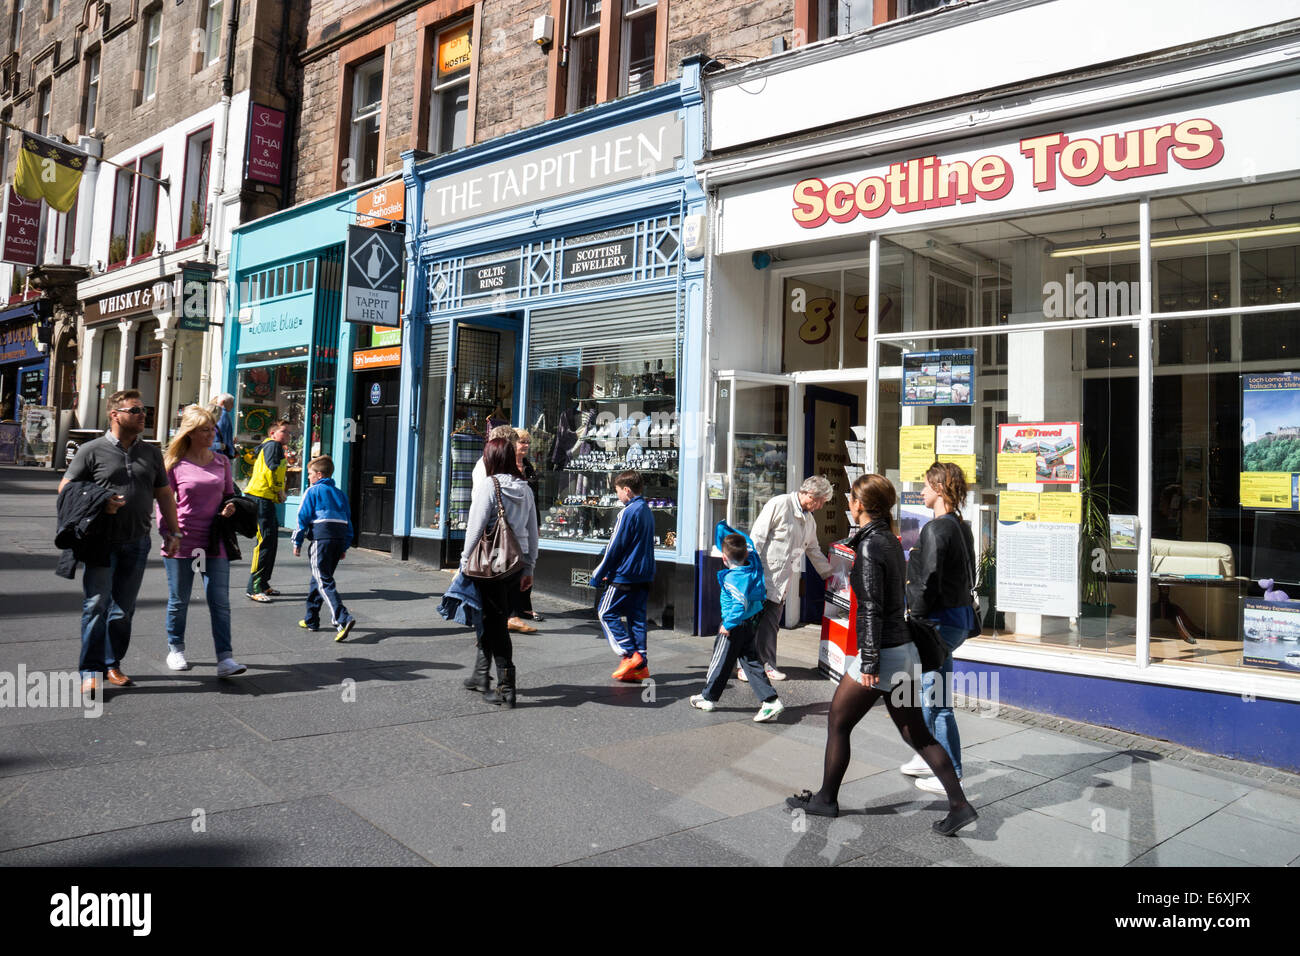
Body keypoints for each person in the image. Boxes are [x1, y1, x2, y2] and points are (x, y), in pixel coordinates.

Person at [786, 474, 976, 836]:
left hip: (882, 652)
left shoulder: (872, 545)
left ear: (861, 505)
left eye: (851, 498)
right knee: (916, 732)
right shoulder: (888, 539)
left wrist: (869, 661)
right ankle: (960, 805)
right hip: (901, 650)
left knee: (838, 723)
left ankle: (826, 799)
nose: (848, 503)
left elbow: (871, 607)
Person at [60, 389, 182, 697]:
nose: (143, 415)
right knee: (96, 605)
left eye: (144, 411)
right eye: (136, 410)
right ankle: (90, 670)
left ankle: (112, 663)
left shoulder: (152, 452)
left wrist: (173, 531)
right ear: (115, 415)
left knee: (123, 610)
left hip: (137, 541)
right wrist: (100, 503)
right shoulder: (91, 450)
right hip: (100, 542)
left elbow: (164, 493)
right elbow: (66, 488)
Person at [902, 461, 979, 794]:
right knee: (930, 693)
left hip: (937, 622)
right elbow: (971, 574)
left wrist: (913, 616)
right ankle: (928, 756)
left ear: (940, 488)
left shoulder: (935, 529)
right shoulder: (961, 526)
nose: (921, 491)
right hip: (957, 619)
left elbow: (927, 580)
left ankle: (952, 771)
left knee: (934, 698)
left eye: (926, 485)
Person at [158, 405, 246, 677]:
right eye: (205, 430)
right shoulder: (175, 464)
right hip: (182, 539)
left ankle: (225, 658)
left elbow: (230, 495)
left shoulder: (222, 462)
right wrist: (169, 534)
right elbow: (164, 504)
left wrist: (231, 507)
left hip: (214, 539)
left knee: (219, 600)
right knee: (179, 600)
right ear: (191, 433)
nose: (211, 435)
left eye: (213, 430)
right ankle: (176, 648)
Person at [460, 437, 539, 707]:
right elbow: (532, 532)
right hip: (515, 565)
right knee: (492, 618)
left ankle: (506, 684)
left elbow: (475, 527)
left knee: (495, 624)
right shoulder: (525, 489)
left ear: (492, 459)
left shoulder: (489, 486)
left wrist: (462, 562)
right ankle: (480, 675)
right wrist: (529, 566)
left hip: (491, 565)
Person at [690, 521, 784, 722]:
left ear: (724, 558)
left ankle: (707, 697)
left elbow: (739, 604)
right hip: (751, 622)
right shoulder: (752, 567)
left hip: (735, 625)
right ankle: (770, 701)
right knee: (751, 662)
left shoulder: (734, 578)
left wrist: (727, 624)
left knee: (720, 660)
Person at [747, 475, 835, 682]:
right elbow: (757, 537)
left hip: (782, 581)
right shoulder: (779, 504)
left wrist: (829, 574)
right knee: (752, 623)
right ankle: (746, 665)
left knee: (770, 624)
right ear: (811, 495)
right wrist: (748, 571)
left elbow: (813, 549)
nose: (821, 507)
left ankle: (766, 664)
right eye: (821, 502)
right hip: (762, 575)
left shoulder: (809, 519)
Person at [590, 470, 656, 682]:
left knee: (605, 612)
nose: (617, 495)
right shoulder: (646, 509)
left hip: (625, 574)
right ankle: (641, 666)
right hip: (644, 574)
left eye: (617, 491)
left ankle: (628, 654)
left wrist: (598, 574)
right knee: (637, 618)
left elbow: (614, 546)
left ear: (626, 490)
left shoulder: (627, 512)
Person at [292, 455, 357, 642]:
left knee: (323, 581)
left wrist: (297, 542)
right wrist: (345, 545)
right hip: (338, 539)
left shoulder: (313, 491)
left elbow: (302, 517)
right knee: (319, 577)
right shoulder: (340, 494)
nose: (308, 477)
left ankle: (342, 618)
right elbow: (348, 521)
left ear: (319, 475)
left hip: (321, 538)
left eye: (310, 474)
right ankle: (311, 618)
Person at [245, 419, 290, 602]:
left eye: (289, 432)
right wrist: (279, 490)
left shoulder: (267, 446)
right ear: (273, 433)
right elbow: (272, 470)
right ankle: (253, 587)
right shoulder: (273, 446)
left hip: (264, 497)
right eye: (284, 432)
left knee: (270, 541)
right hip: (261, 497)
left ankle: (263, 583)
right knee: (264, 542)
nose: (288, 435)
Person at [508, 428, 543, 632]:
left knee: (528, 561)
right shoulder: (506, 466)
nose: (526, 446)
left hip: (528, 519)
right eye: (522, 442)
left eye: (528, 442)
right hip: (513, 523)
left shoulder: (528, 466)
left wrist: (536, 523)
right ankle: (512, 611)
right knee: (514, 565)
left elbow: (534, 499)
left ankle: (524, 607)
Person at [210, 393, 236, 459]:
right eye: (231, 403)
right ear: (223, 402)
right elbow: (218, 434)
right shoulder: (223, 414)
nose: (233, 406)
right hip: (220, 454)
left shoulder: (222, 414)